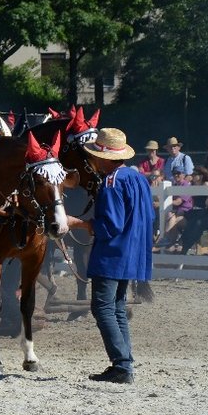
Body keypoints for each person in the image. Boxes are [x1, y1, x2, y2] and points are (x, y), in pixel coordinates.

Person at [64, 127, 152, 385]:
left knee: (102, 307)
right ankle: (125, 362)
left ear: (103, 158)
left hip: (113, 254)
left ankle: (122, 364)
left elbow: (110, 225)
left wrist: (77, 222)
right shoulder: (138, 178)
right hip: (133, 251)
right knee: (117, 308)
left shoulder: (112, 182)